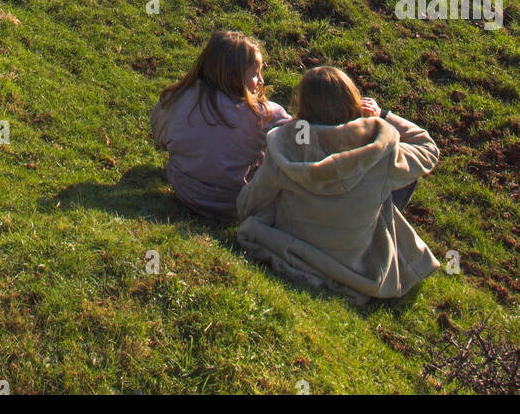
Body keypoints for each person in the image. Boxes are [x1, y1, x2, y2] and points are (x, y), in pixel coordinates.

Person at [236, 65, 440, 304]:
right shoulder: (381, 149)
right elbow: (428, 148)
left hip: (291, 247)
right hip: (354, 269)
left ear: (302, 105)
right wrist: (383, 115)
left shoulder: (286, 145)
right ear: (353, 101)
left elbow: (249, 205)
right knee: (397, 178)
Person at [150, 30, 291, 220]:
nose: (261, 81)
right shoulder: (265, 114)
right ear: (235, 77)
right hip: (235, 201)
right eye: (255, 74)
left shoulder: (179, 97)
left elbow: (159, 132)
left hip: (185, 190)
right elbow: (296, 140)